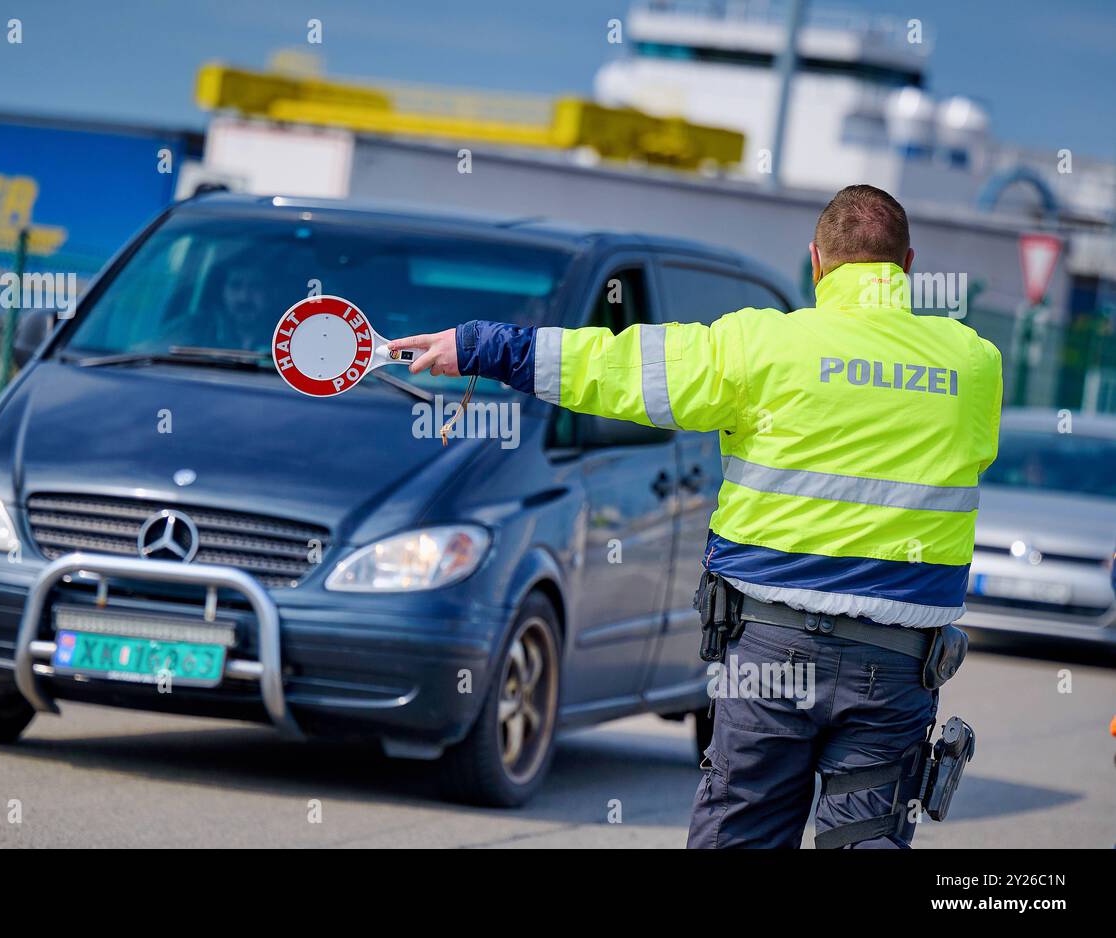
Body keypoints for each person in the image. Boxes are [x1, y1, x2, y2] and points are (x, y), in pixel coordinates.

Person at [388, 184, 1001, 848]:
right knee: (869, 842)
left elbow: (614, 366)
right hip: (897, 666)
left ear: (816, 264)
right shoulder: (973, 365)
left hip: (771, 650)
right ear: (906, 267)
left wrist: (479, 347)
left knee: (741, 830)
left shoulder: (760, 345)